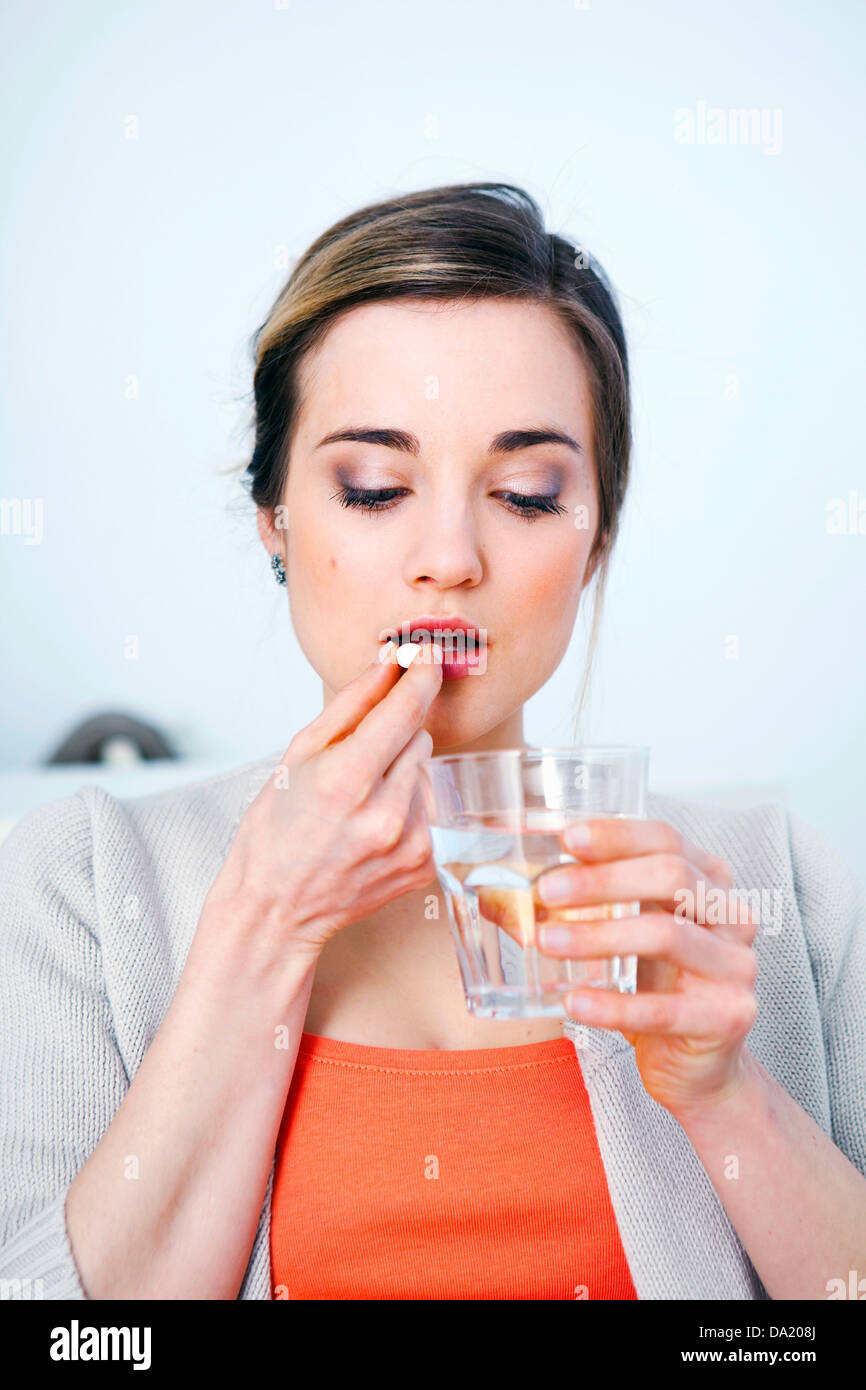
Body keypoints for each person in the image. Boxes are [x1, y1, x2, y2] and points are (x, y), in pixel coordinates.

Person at [1, 183, 864, 1301]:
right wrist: (263, 919)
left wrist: (724, 1093)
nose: (448, 556)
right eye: (374, 487)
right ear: (275, 519)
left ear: (593, 534)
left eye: (522, 492)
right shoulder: (76, 888)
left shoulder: (774, 888)